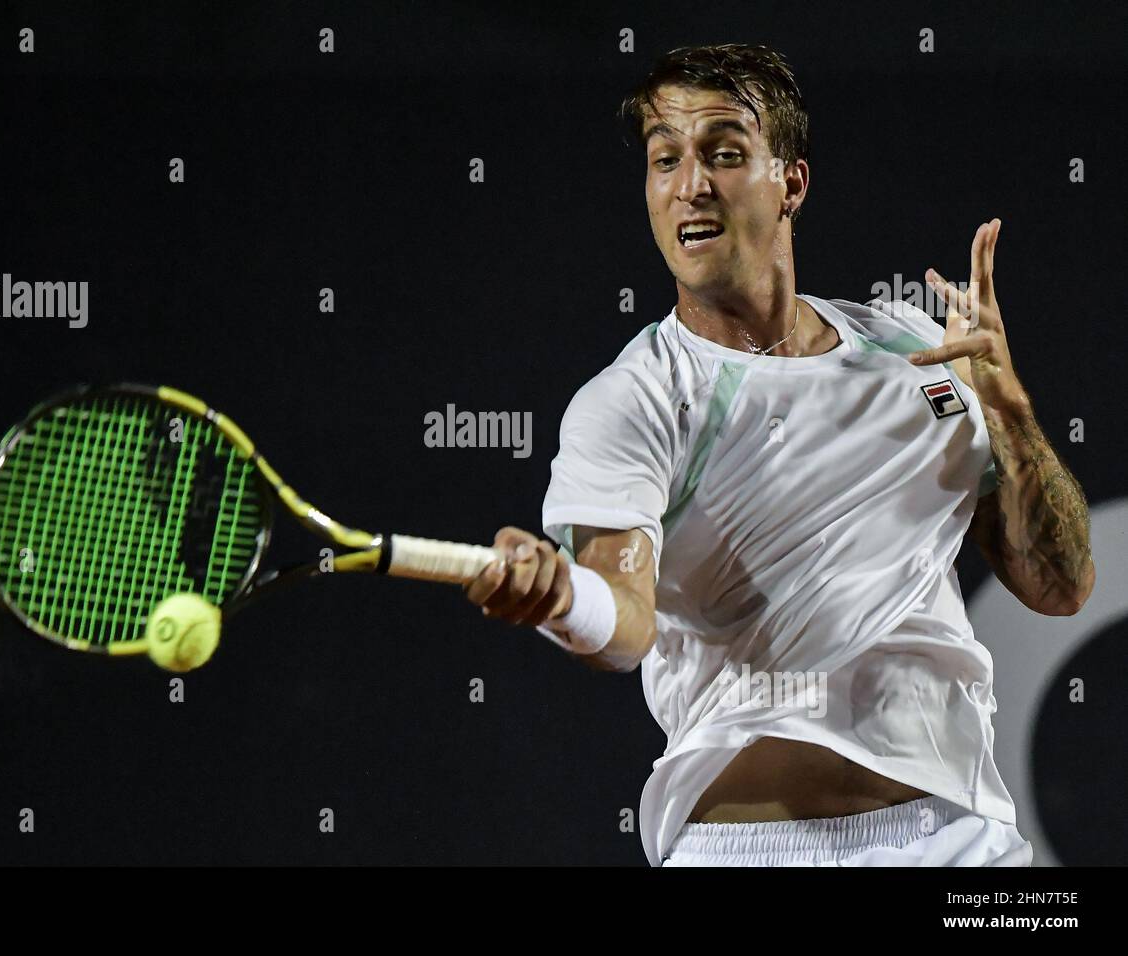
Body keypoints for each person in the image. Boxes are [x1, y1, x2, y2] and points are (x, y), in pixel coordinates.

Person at [465, 43, 1094, 867]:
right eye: (665, 160)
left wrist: (1009, 408)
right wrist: (561, 599)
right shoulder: (633, 401)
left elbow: (1059, 583)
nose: (690, 183)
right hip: (751, 849)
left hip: (961, 843)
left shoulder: (913, 348)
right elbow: (623, 624)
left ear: (791, 181)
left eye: (723, 153)